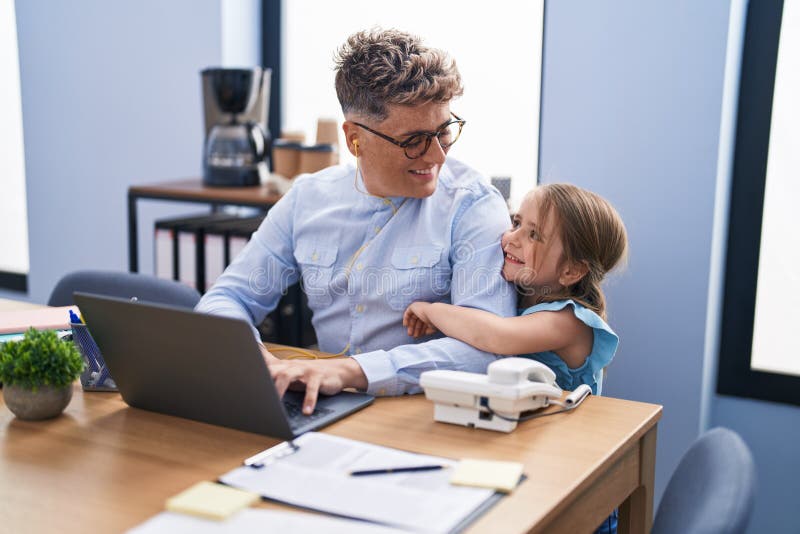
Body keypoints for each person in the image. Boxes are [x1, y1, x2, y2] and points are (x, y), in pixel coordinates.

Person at [196, 28, 515, 415]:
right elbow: (228, 297)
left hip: (423, 414)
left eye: (444, 131)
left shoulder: (474, 205)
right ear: (354, 140)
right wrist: (252, 357)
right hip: (321, 407)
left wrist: (354, 371)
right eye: (414, 140)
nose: (437, 156)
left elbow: (488, 351)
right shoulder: (307, 198)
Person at [403, 183, 628, 396]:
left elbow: (496, 336)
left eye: (534, 235)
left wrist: (431, 310)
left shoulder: (570, 322)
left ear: (571, 270)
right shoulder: (520, 296)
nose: (512, 238)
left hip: (563, 432)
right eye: (516, 223)